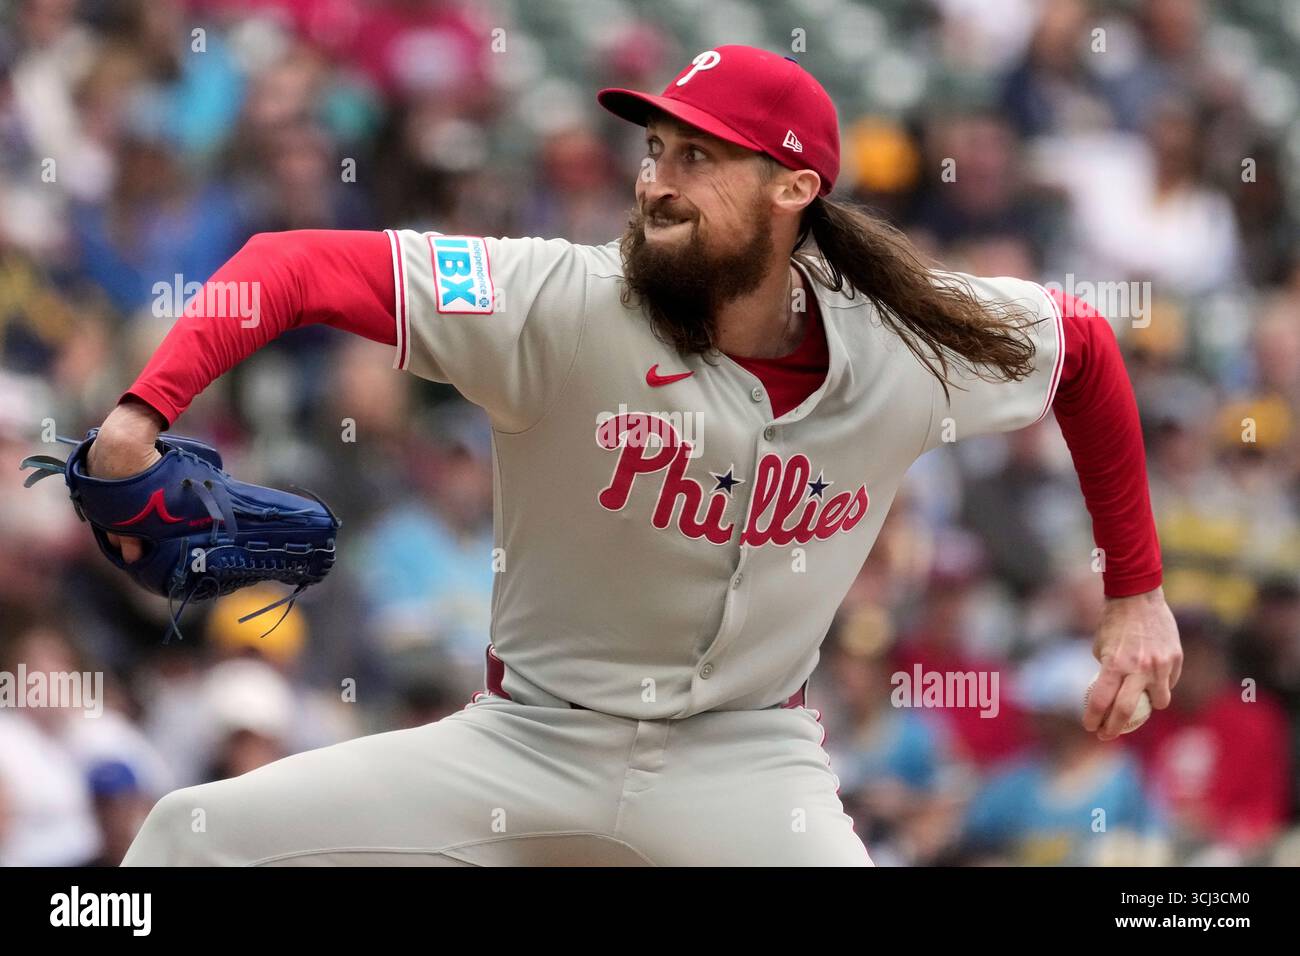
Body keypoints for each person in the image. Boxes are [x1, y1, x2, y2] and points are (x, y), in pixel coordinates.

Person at [92, 45, 1179, 866]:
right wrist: (146, 408)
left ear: (791, 188)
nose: (656, 179)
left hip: (746, 761)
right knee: (194, 836)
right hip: (525, 743)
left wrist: (1135, 592)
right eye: (654, 149)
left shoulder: (903, 336)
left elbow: (1081, 346)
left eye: (696, 156)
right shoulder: (556, 300)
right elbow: (289, 266)